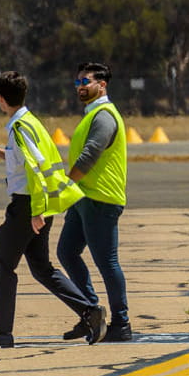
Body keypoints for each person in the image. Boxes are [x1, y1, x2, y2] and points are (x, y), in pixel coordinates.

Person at [0, 71, 107, 349]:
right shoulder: (31, 122)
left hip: (28, 206)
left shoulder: (19, 127)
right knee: (42, 268)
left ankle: (3, 333)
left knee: (4, 267)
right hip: (39, 204)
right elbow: (27, 160)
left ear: (1, 99)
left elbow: (34, 170)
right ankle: (89, 311)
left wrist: (36, 212)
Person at [59, 62, 134, 342]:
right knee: (67, 252)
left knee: (107, 262)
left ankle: (121, 323)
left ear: (102, 85)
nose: (80, 86)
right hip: (84, 198)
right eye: (77, 82)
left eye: (85, 81)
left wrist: (66, 184)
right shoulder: (91, 114)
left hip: (101, 199)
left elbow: (90, 155)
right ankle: (91, 311)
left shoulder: (104, 116)